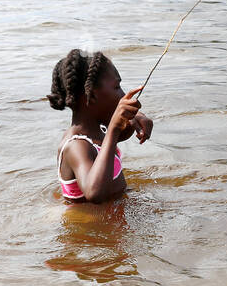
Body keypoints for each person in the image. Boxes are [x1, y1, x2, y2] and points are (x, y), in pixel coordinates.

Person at [48, 50, 153, 203]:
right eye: (117, 87)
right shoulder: (76, 146)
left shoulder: (98, 131)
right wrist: (114, 128)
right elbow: (95, 193)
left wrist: (137, 117)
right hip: (88, 226)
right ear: (91, 96)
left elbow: (119, 135)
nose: (122, 95)